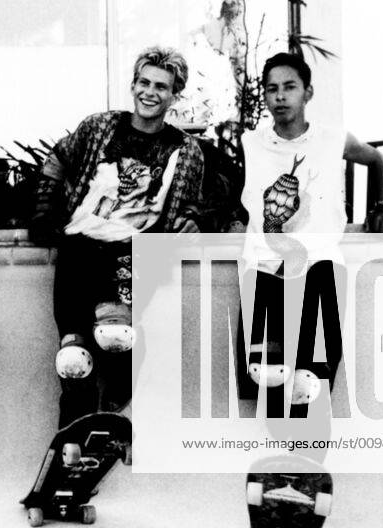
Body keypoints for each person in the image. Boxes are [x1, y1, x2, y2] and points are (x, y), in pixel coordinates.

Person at [31, 46, 233, 429]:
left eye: (161, 86)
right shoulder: (99, 127)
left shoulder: (187, 150)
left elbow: (214, 197)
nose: (150, 92)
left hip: (133, 254)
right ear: (133, 84)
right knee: (73, 358)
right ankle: (72, 442)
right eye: (144, 82)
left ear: (174, 95)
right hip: (79, 248)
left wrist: (198, 220)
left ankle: (114, 412)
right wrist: (44, 209)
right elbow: (57, 159)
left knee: (115, 335)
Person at [238, 52, 383, 448]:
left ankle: (307, 459)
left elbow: (376, 159)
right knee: (269, 373)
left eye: (289, 87)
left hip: (319, 264)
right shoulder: (250, 142)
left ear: (307, 92)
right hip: (265, 266)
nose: (280, 96)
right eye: (272, 88)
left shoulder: (332, 139)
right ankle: (282, 460)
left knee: (310, 378)